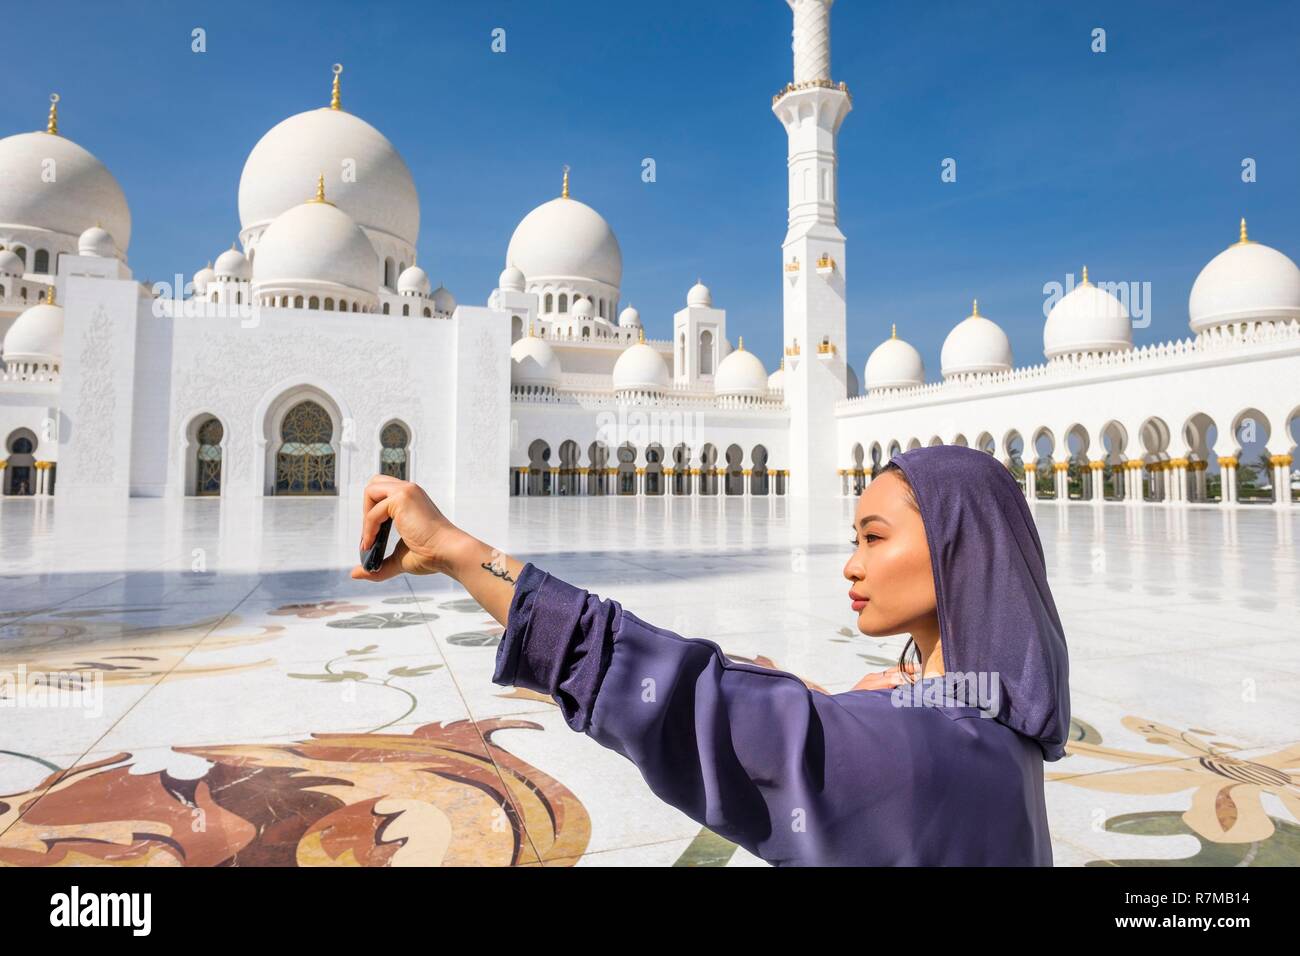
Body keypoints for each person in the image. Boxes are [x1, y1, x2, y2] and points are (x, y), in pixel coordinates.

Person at [351, 444, 1070, 865]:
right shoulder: (1002, 716)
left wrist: (456, 550)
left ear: (957, 553)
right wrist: (853, 705)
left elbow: (658, 687)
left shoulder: (905, 742)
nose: (851, 566)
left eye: (874, 538)